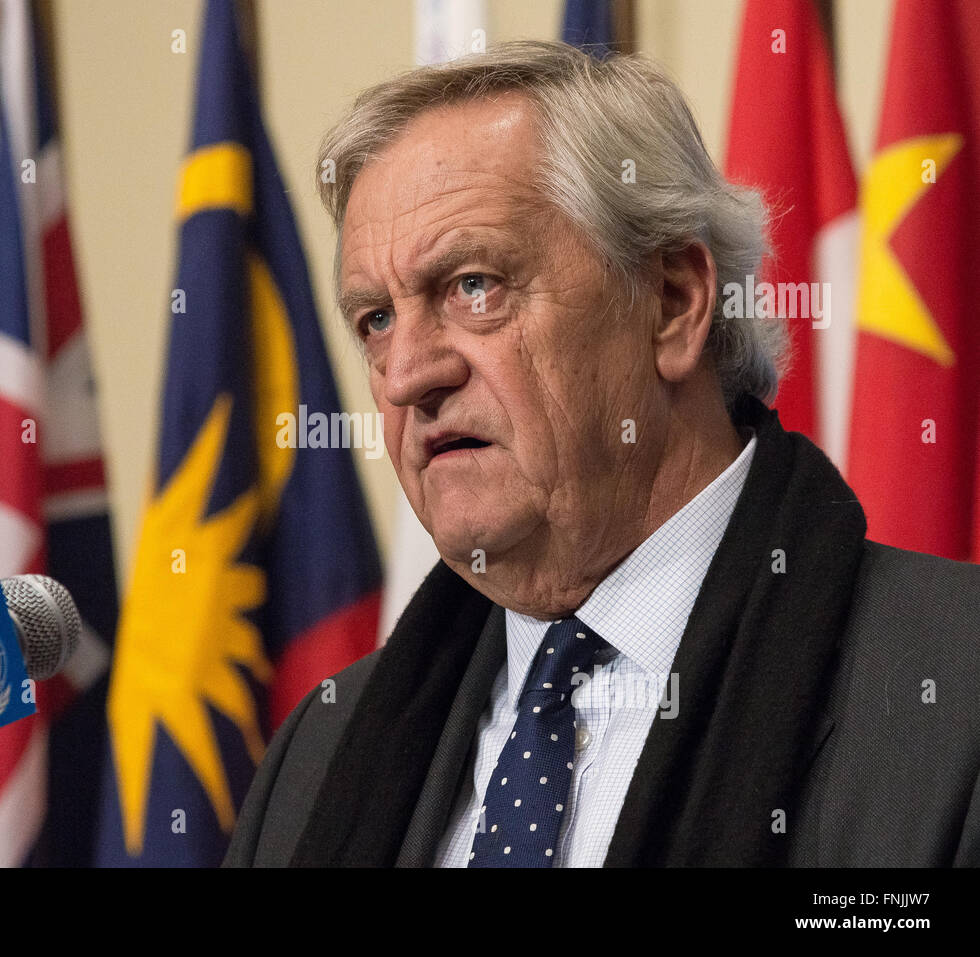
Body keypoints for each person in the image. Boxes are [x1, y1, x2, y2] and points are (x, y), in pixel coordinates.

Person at [223, 40, 980, 867]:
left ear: (672, 303)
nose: (407, 375)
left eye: (473, 286)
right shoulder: (317, 752)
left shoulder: (951, 686)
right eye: (376, 319)